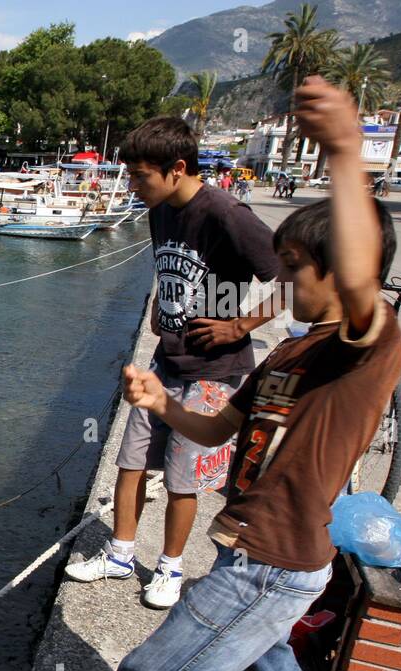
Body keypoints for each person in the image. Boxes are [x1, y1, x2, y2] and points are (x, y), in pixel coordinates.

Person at [48, 76, 401, 671]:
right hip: (257, 551)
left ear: (334, 270)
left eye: (298, 269)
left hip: (273, 562)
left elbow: (360, 272)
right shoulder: (290, 352)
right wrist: (157, 402)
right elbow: (213, 430)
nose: (287, 282)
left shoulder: (364, 351)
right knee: (265, 670)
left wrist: (345, 149)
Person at [65, 116, 279, 609]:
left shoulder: (226, 212)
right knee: (132, 460)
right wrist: (164, 310)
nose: (133, 186)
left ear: (177, 168)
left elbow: (292, 276)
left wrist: (240, 326)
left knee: (183, 478)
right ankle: (119, 554)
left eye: (140, 176)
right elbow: (171, 267)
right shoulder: (160, 210)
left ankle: (170, 567)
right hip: (167, 359)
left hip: (212, 370)